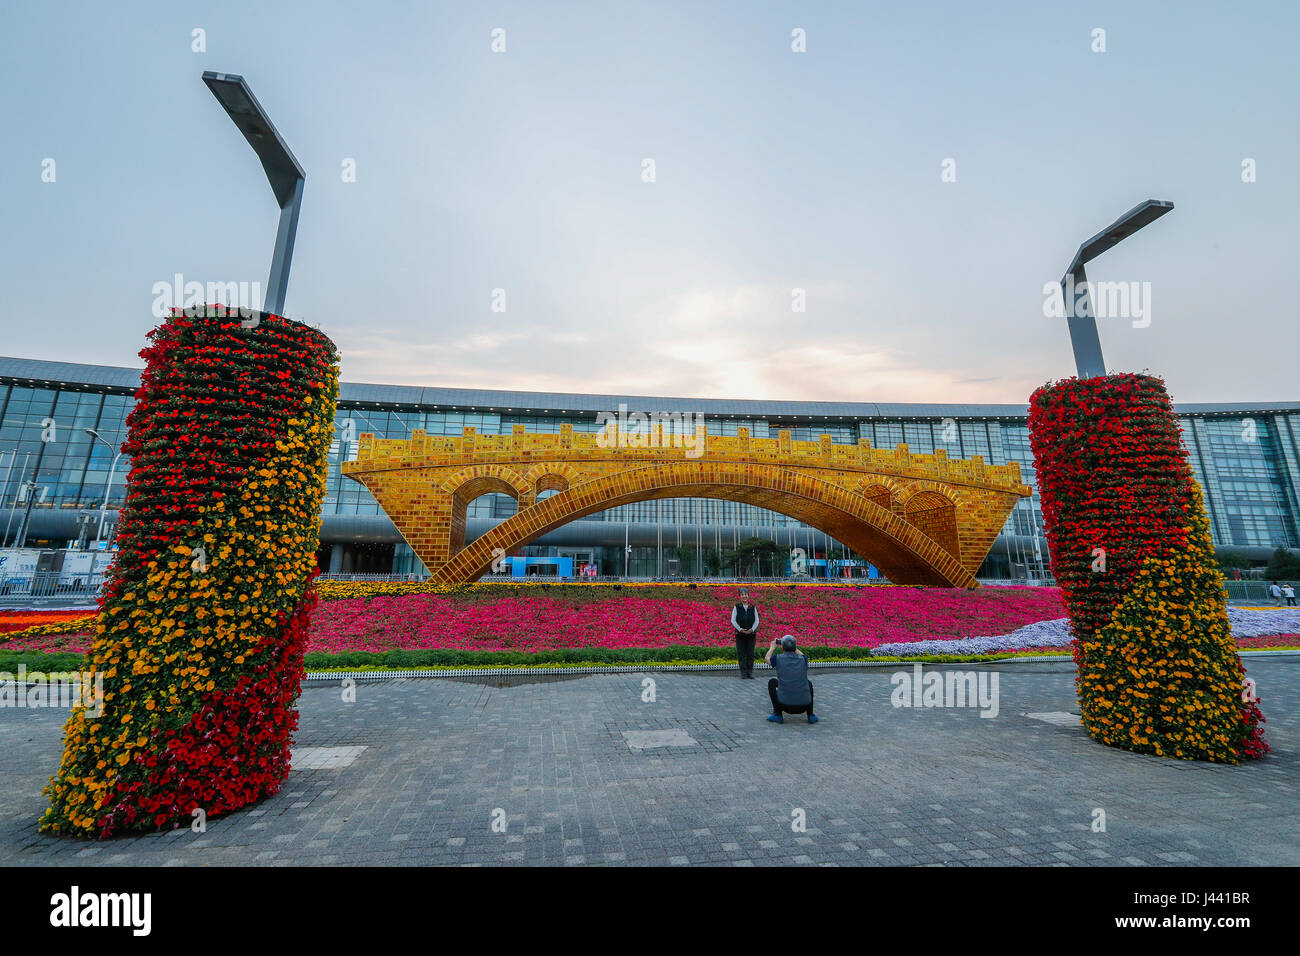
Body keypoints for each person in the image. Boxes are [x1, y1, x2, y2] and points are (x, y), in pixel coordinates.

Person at [764, 634, 817, 723]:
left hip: (784, 706)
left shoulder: (778, 658)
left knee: (772, 682)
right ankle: (810, 715)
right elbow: (802, 655)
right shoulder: (803, 659)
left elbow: (767, 659)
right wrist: (792, 646)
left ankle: (778, 715)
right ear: (795, 647)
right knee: (808, 683)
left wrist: (772, 647)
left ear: (782, 648)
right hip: (804, 706)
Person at [731, 588, 759, 678]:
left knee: (750, 653)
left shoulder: (752, 607)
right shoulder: (737, 607)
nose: (744, 596)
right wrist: (740, 629)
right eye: (742, 595)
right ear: (740, 596)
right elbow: (733, 620)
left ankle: (750, 672)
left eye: (746, 594)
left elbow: (757, 620)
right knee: (741, 653)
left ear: (748, 596)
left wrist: (752, 629)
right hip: (740, 635)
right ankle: (743, 672)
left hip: (751, 634)